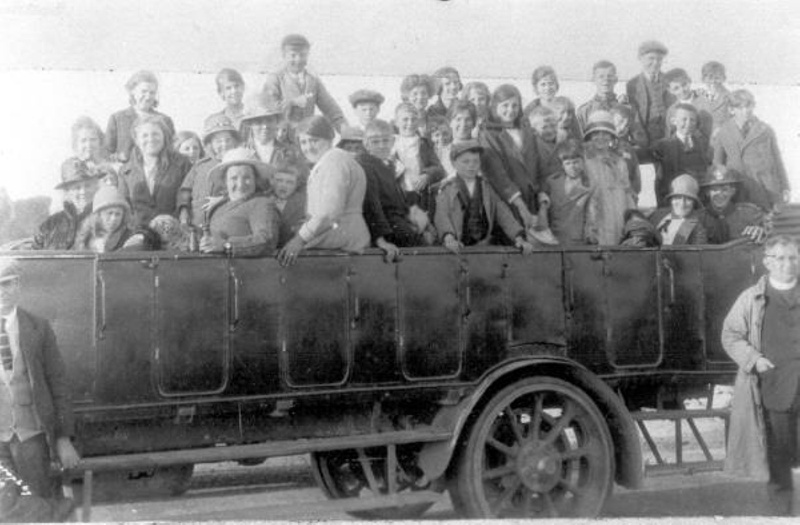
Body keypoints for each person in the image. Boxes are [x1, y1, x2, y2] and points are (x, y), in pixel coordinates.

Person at [722, 235, 800, 516]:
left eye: (793, 257)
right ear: (767, 262)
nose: (787, 264)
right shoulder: (752, 298)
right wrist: (754, 360)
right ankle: (782, 515)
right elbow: (730, 335)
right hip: (775, 389)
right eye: (780, 258)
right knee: (779, 462)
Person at [0, 257, 80, 521]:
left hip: (30, 435)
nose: (1, 290)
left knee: (36, 502)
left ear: (18, 285)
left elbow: (58, 383)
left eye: (7, 283)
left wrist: (63, 437)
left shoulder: (38, 327)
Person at [277, 116, 370, 266]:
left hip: (340, 240)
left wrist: (299, 240)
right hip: (344, 237)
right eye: (303, 142)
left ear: (329, 139)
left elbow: (329, 214)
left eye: (314, 140)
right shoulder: (334, 160)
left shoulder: (334, 162)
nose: (308, 147)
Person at [478, 84, 556, 245]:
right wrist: (522, 208)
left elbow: (541, 171)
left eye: (515, 105)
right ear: (494, 107)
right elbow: (498, 176)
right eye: (505, 105)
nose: (510, 110)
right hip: (509, 206)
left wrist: (542, 208)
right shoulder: (488, 135)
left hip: (534, 203)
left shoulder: (527, 132)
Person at [435, 141, 533, 254]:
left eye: (475, 161)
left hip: (482, 246)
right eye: (465, 161)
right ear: (454, 163)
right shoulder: (447, 189)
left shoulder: (486, 188)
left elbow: (503, 214)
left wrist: (518, 238)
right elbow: (442, 216)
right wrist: (449, 238)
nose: (471, 165)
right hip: (456, 246)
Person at [358, 119, 430, 260]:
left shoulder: (386, 165)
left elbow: (395, 196)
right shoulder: (367, 166)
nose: (381, 146)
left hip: (398, 220)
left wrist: (414, 210)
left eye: (385, 141)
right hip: (387, 226)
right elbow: (372, 204)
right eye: (375, 142)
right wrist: (380, 240)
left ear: (392, 142)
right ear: (366, 144)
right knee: (423, 253)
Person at [713, 89, 790, 212]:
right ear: (732, 110)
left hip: (765, 187)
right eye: (740, 107)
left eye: (749, 106)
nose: (746, 111)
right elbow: (717, 163)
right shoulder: (723, 131)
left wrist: (785, 186)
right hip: (738, 187)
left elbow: (777, 160)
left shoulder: (765, 130)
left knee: (767, 221)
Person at [201, 148, 279, 256]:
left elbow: (266, 240)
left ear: (256, 180)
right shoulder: (219, 207)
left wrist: (226, 246)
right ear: (225, 182)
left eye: (247, 177)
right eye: (234, 178)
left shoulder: (261, 204)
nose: (241, 184)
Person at [119, 114, 192, 228]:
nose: (151, 139)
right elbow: (124, 207)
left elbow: (188, 197)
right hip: (140, 234)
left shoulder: (182, 164)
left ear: (164, 136)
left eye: (155, 134)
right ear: (137, 140)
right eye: (144, 135)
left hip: (174, 232)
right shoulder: (126, 171)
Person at [262, 34, 346, 132]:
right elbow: (267, 109)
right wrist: (292, 103)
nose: (298, 60)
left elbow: (330, 108)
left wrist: (344, 129)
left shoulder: (313, 80)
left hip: (307, 137)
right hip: (282, 138)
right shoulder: (275, 78)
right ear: (284, 56)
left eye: (302, 55)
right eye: (293, 55)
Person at [177, 114, 242, 229]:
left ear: (235, 142)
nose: (224, 145)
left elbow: (251, 190)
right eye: (218, 141)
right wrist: (183, 212)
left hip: (225, 225)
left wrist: (224, 198)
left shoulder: (241, 164)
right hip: (196, 224)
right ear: (210, 144)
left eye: (228, 140)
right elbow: (185, 191)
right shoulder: (200, 166)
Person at [582, 112, 636, 245]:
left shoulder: (620, 162)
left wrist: (633, 218)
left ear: (612, 136)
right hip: (595, 214)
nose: (601, 137)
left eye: (605, 133)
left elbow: (627, 191)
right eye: (596, 133)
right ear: (589, 137)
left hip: (618, 211)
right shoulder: (585, 162)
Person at [106, 70, 176, 163]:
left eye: (152, 93)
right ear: (132, 91)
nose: (148, 97)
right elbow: (107, 151)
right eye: (144, 91)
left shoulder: (165, 121)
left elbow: (171, 150)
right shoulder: (117, 119)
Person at [32, 159, 101, 250]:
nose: (83, 192)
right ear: (67, 191)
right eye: (77, 187)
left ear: (95, 188)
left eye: (87, 186)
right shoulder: (50, 225)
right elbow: (34, 257)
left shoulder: (104, 219)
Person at [651, 103, 711, 206]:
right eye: (684, 119)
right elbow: (659, 179)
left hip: (698, 198)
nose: (688, 123)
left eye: (692, 120)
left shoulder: (702, 144)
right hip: (676, 199)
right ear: (673, 121)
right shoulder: (663, 146)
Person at [392, 102, 445, 213]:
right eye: (405, 119)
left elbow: (439, 168)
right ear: (396, 122)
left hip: (419, 194)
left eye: (413, 119)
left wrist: (427, 175)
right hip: (398, 194)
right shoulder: (391, 143)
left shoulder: (423, 143)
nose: (410, 123)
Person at [543, 139, 597, 245]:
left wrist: (590, 235)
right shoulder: (552, 182)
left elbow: (591, 215)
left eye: (576, 162)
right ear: (562, 165)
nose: (572, 166)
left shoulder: (588, 186)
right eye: (568, 163)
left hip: (576, 239)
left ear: (583, 162)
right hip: (552, 237)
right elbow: (546, 210)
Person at [626, 40, 674, 159]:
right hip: (645, 140)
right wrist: (642, 142)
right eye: (651, 58)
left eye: (659, 59)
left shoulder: (669, 81)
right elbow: (635, 115)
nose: (655, 63)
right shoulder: (633, 84)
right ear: (640, 58)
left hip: (668, 138)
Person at [74, 185, 158, 252]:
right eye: (109, 213)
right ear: (98, 215)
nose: (113, 218)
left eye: (118, 214)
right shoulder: (85, 238)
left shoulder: (129, 237)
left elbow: (149, 238)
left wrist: (140, 238)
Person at [698, 165, 766, 244]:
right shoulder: (698, 218)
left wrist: (761, 231)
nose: (720, 194)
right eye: (714, 189)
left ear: (732, 191)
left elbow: (770, 232)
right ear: (707, 193)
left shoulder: (749, 214)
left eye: (725, 189)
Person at [649, 174, 708, 245]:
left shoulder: (697, 230)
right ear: (671, 200)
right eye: (678, 197)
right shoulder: (658, 215)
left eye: (688, 199)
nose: (682, 203)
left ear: (694, 203)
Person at [663, 68, 713, 141]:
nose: (682, 90)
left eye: (684, 85)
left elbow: (710, 129)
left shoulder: (704, 102)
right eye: (676, 88)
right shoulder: (672, 110)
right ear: (670, 91)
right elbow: (669, 134)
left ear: (689, 81)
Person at [576, 60, 626, 133]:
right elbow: (579, 139)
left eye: (610, 76)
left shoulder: (625, 109)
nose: (606, 80)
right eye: (601, 76)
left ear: (616, 79)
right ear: (593, 79)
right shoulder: (584, 111)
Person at [271, 163, 307, 250]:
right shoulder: (263, 199)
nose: (283, 185)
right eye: (279, 180)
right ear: (272, 181)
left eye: (290, 182)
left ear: (296, 185)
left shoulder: (304, 203)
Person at [610, 104, 643, 198]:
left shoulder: (628, 149)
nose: (623, 127)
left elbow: (636, 180)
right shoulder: (599, 147)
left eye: (627, 125)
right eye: (620, 122)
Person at [694, 61, 731, 135]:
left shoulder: (730, 97)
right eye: (710, 77)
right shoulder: (697, 99)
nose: (713, 81)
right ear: (703, 79)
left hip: (723, 137)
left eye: (717, 78)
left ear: (724, 78)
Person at [526, 105, 561, 178]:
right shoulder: (534, 149)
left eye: (553, 125)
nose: (550, 130)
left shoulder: (561, 142)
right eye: (544, 127)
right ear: (533, 130)